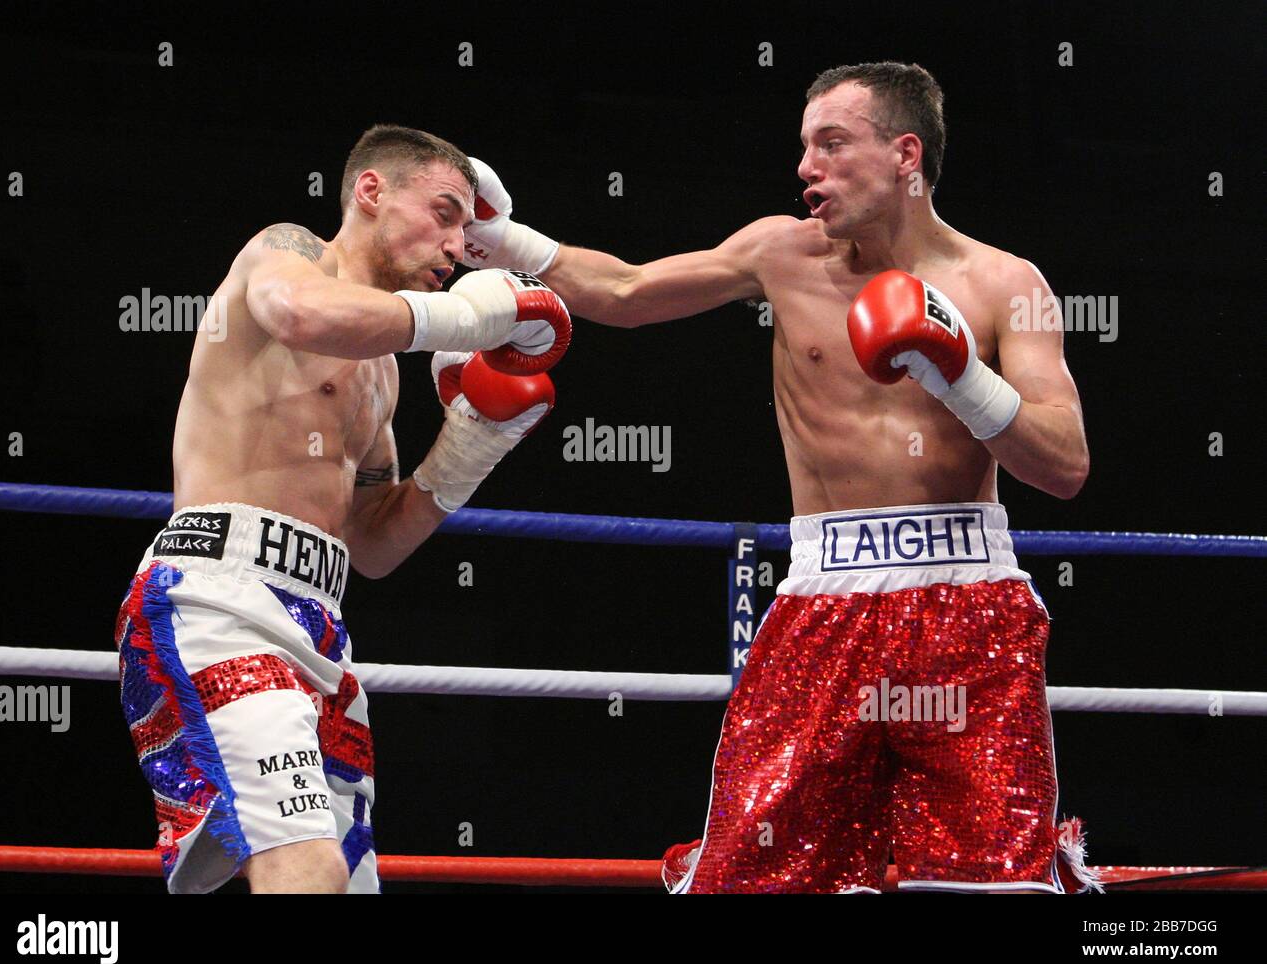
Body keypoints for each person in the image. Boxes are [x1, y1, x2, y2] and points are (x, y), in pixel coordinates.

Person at [463, 62, 1091, 892]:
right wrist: (503, 237)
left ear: (907, 154)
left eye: (831, 144)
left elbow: (1066, 463)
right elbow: (625, 290)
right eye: (804, 147)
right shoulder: (779, 253)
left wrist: (960, 372)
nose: (806, 167)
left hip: (965, 600)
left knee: (985, 879)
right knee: (762, 874)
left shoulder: (1007, 284)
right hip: (822, 599)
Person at [114, 125, 570, 894]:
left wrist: (468, 449)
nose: (460, 245)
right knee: (306, 867)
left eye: (468, 228)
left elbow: (375, 543)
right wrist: (471, 322)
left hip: (321, 622)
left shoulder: (382, 372)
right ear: (370, 192)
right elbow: (299, 313)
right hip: (217, 595)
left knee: (348, 882)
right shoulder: (285, 251)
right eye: (446, 213)